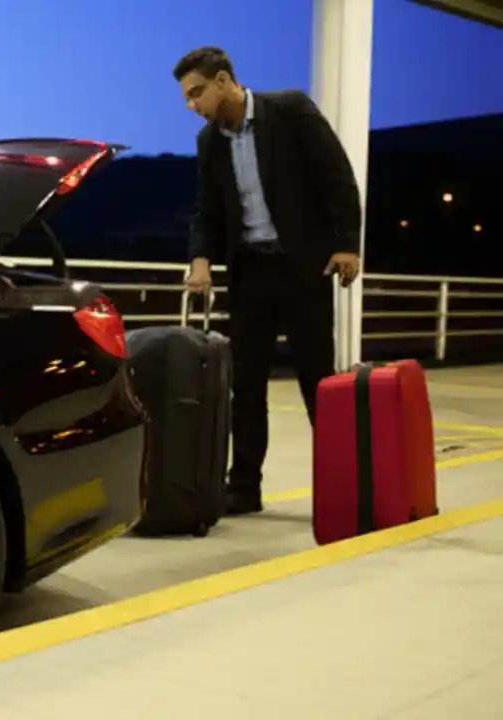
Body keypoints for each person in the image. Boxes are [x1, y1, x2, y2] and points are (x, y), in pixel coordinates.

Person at [173, 46, 362, 515]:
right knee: (246, 385)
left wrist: (347, 244)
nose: (191, 104)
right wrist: (200, 259)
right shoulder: (208, 142)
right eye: (186, 97)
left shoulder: (290, 110)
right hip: (250, 272)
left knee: (319, 383)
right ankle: (244, 487)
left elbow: (337, 177)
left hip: (302, 269)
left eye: (196, 93)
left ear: (224, 81)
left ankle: (343, 483)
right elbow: (207, 209)